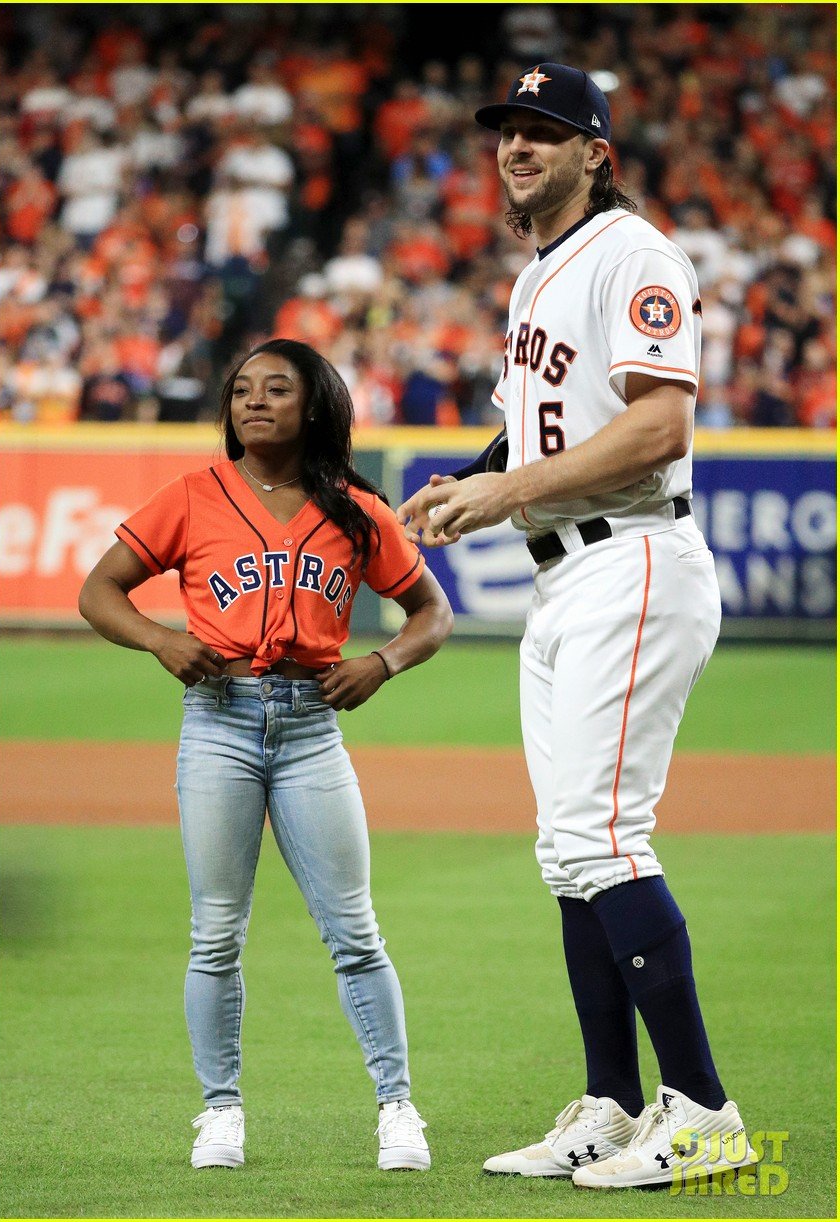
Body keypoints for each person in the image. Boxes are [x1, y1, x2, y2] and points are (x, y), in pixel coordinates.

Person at [398, 64, 756, 1190]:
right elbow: (529, 437)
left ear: (594, 151)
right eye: (508, 129)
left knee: (603, 840)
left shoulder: (633, 254)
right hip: (564, 583)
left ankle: (701, 1110)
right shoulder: (531, 279)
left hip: (633, 558)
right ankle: (608, 1102)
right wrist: (470, 481)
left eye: (545, 131)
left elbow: (655, 425)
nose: (518, 146)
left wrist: (503, 495)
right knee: (568, 855)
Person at [79, 337, 453, 1173]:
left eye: (276, 389)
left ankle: (397, 1107)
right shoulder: (193, 495)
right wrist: (157, 639)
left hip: (312, 727)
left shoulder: (356, 504)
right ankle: (220, 1112)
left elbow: (432, 611)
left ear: (313, 404)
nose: (254, 401)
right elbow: (98, 590)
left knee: (355, 931)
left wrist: (383, 661)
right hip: (218, 718)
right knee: (215, 934)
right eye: (242, 389)